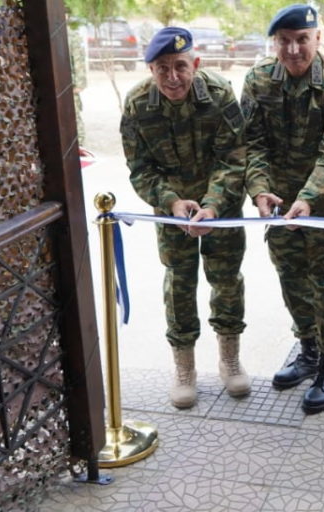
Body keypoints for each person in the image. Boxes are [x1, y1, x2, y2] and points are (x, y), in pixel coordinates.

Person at [120, 27, 250, 409]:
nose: (172, 77)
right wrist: (171, 202)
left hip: (220, 207)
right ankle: (185, 368)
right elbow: (140, 168)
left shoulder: (220, 94)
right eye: (162, 68)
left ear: (196, 63)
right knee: (179, 283)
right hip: (171, 210)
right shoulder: (137, 104)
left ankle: (229, 359)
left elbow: (234, 157)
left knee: (226, 279)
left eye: (180, 66)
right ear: (150, 69)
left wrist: (212, 205)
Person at [241, 3, 324, 413]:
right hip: (278, 205)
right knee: (291, 278)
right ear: (274, 42)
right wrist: (259, 190)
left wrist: (307, 198)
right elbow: (251, 144)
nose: (293, 50)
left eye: (301, 40)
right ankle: (307, 349)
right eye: (284, 41)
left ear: (317, 38)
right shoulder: (257, 82)